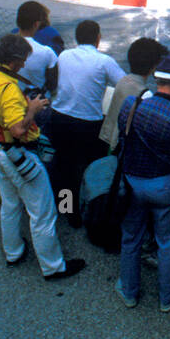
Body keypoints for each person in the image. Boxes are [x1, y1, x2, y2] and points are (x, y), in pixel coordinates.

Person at [0, 34, 85, 280]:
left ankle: (13, 252)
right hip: (19, 155)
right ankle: (53, 267)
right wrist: (33, 110)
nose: (25, 64)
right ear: (14, 60)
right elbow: (18, 129)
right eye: (23, 59)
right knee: (43, 214)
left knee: (11, 205)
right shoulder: (8, 89)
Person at [114, 53, 170, 312]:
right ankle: (167, 297)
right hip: (163, 185)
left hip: (132, 182)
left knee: (131, 237)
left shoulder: (131, 105)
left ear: (156, 77)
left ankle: (129, 292)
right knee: (166, 241)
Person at [47, 20, 125, 226]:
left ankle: (68, 211)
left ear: (76, 38)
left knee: (66, 167)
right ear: (98, 38)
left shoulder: (63, 56)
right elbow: (124, 84)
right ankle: (94, 211)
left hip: (60, 119)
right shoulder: (104, 61)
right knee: (95, 167)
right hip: (87, 126)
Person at [99, 37, 167, 152]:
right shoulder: (145, 95)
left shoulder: (122, 81)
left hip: (110, 143)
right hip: (124, 151)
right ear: (153, 67)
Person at [14, 1, 59, 94]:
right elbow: (53, 83)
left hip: (11, 96)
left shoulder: (6, 44)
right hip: (39, 100)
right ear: (36, 24)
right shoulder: (47, 50)